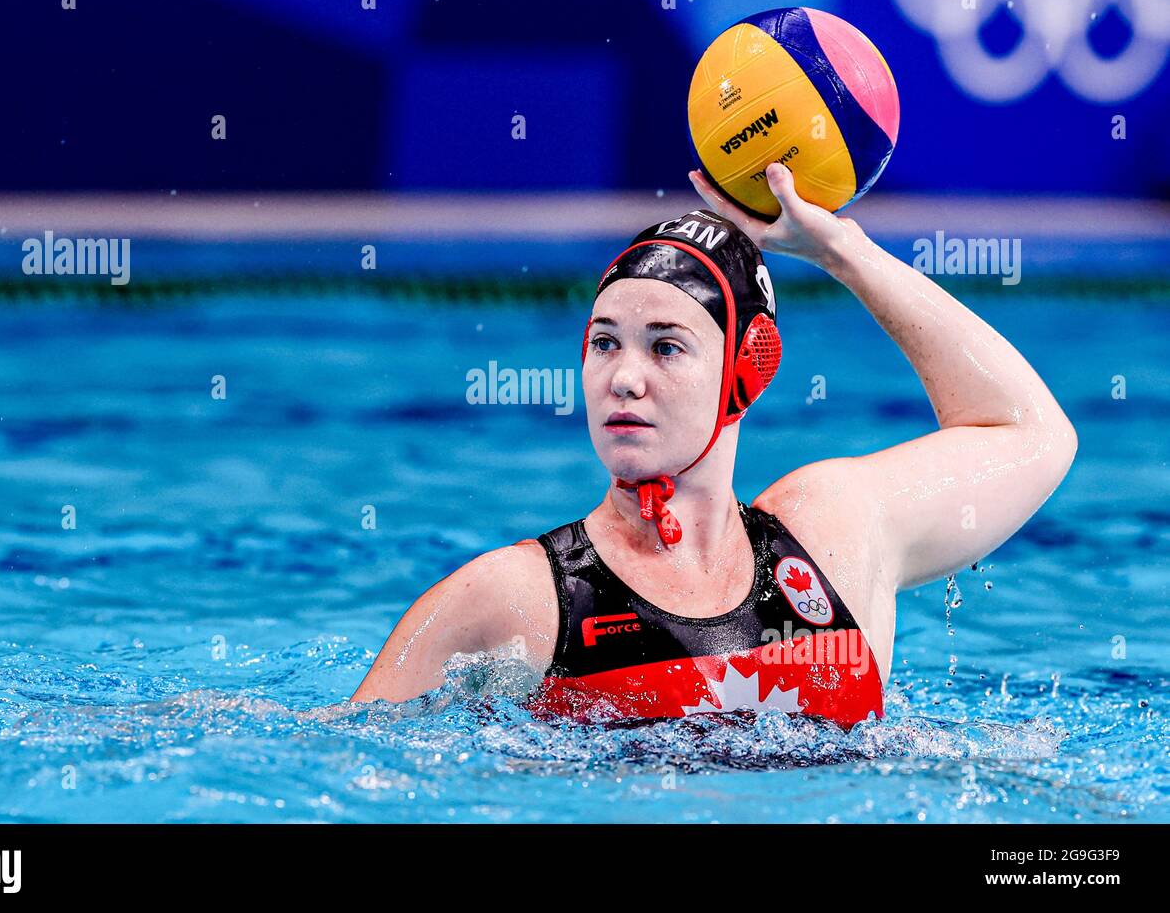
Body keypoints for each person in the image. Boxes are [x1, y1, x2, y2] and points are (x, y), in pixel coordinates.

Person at [349, 162, 1077, 728]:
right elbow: (340, 766)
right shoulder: (515, 597)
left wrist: (845, 253)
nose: (623, 380)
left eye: (666, 347)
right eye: (604, 343)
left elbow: (1032, 435)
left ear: (746, 370)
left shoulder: (833, 537)